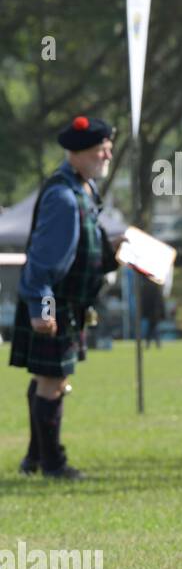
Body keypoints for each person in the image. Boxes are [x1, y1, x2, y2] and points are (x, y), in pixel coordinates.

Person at [11, 115, 119, 480]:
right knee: (51, 382)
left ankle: (35, 458)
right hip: (55, 305)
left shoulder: (82, 189)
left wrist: (114, 251)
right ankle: (54, 464)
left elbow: (82, 248)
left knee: (47, 378)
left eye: (107, 147)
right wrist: (42, 307)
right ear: (76, 153)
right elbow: (43, 262)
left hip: (69, 306)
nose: (107, 154)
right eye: (99, 149)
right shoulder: (63, 195)